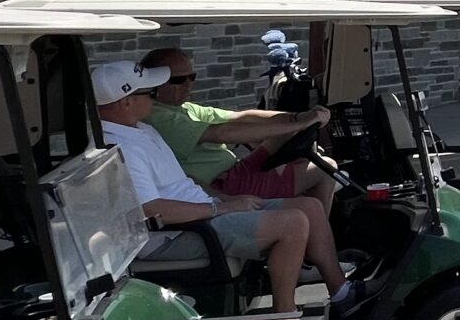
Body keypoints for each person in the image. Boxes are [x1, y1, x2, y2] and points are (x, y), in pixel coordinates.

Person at [94, 62, 354, 320]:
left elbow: (182, 181)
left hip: (201, 212)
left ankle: (341, 291)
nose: (155, 96)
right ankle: (284, 315)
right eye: (149, 92)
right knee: (293, 223)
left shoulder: (141, 130)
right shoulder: (121, 148)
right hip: (174, 236)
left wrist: (226, 199)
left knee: (309, 207)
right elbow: (152, 209)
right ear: (126, 102)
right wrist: (221, 208)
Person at [139, 45, 337, 215]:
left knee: (292, 137)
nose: (189, 86)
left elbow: (240, 117)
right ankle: (313, 246)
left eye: (192, 77)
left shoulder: (185, 109)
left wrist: (298, 117)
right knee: (326, 169)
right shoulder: (157, 116)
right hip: (220, 186)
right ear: (155, 83)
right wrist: (299, 124)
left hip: (236, 172)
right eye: (179, 81)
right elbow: (222, 134)